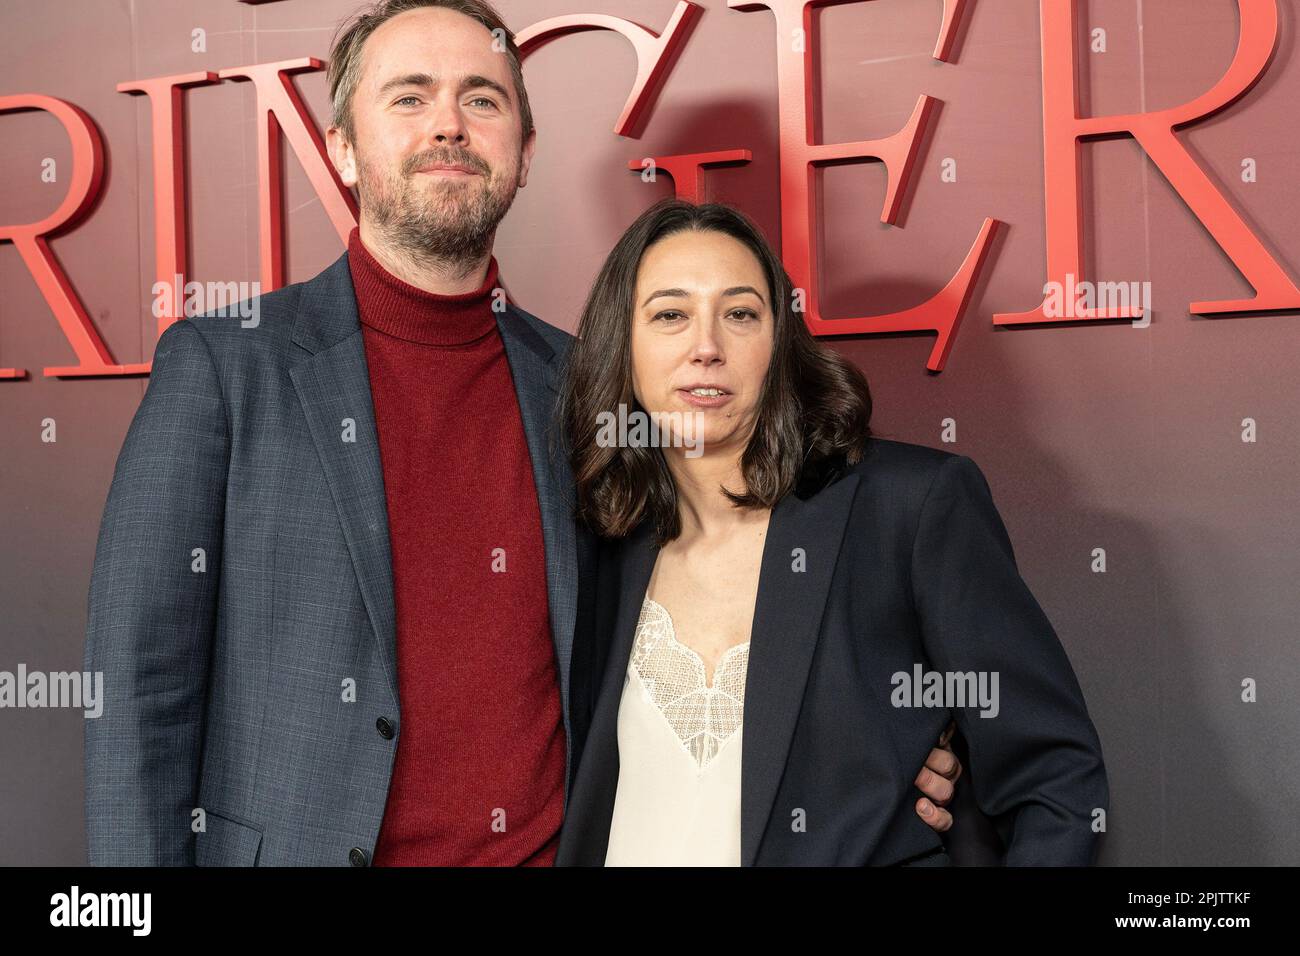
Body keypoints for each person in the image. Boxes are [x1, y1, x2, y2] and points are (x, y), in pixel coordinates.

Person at [83, 0, 961, 866]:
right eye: (409, 96)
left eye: (482, 99)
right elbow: (138, 690)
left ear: (525, 154)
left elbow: (725, 579)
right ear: (343, 149)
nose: (450, 126)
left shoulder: (584, 382)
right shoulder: (224, 368)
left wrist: (883, 740)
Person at [555, 199, 1109, 866]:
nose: (706, 347)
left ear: (780, 342)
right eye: (670, 315)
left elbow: (1056, 778)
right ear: (625, 344)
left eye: (740, 314)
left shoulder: (906, 507)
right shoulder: (596, 541)